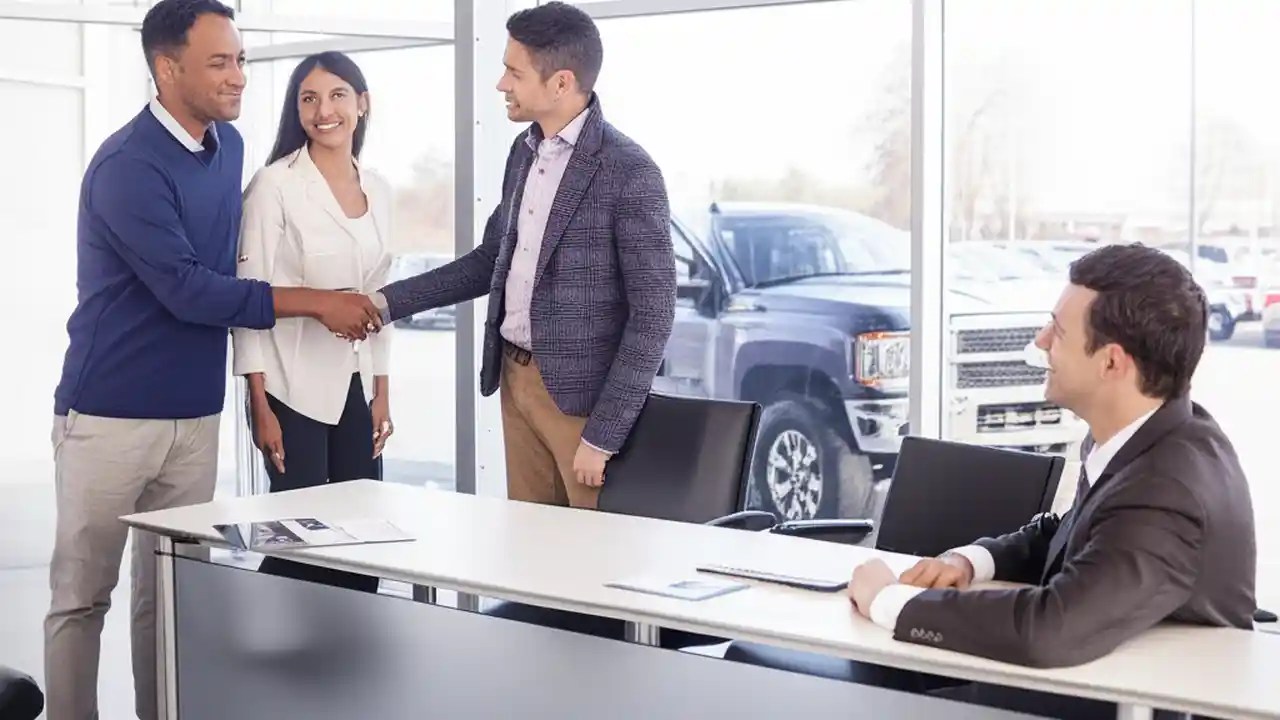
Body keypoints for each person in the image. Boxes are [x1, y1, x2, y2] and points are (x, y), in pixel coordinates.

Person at [44, 2, 382, 719]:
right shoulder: (127, 166)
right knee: (83, 597)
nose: (239, 77)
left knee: (170, 592)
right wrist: (318, 302)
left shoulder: (226, 148)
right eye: (220, 63)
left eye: (240, 60)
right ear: (168, 69)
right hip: (108, 417)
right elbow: (190, 291)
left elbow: (235, 266)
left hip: (195, 414)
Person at [833, 243, 1257, 718]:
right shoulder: (1153, 435)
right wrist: (973, 561)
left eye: (1057, 331)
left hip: (1108, 702)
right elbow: (1075, 530)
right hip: (1085, 684)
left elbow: (1052, 630)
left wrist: (891, 600)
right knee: (866, 673)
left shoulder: (1168, 488)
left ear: (1111, 363)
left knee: (858, 695)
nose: (1040, 341)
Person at [375, 2, 676, 508]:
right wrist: (384, 304)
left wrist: (603, 436)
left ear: (561, 83)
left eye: (514, 72)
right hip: (517, 384)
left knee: (591, 564)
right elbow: (490, 260)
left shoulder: (630, 171)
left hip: (584, 406)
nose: (501, 85)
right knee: (531, 553)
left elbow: (654, 315)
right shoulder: (524, 151)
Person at [233, 51, 393, 593]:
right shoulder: (273, 185)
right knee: (298, 541)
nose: (324, 110)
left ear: (362, 105)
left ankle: (349, 651)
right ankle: (277, 651)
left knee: (360, 531)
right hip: (288, 385)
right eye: (309, 98)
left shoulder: (379, 190)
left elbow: (380, 301)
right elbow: (247, 300)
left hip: (352, 385)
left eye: (338, 95)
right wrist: (258, 402)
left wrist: (382, 391)